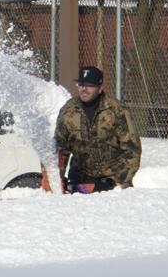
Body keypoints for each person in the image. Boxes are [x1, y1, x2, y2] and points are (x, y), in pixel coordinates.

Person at [54, 65, 142, 193]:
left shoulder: (116, 110)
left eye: (89, 85)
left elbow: (132, 150)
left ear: (100, 88)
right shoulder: (68, 111)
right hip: (80, 183)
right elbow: (60, 149)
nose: (83, 89)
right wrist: (58, 179)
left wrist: (117, 182)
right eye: (81, 84)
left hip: (112, 183)